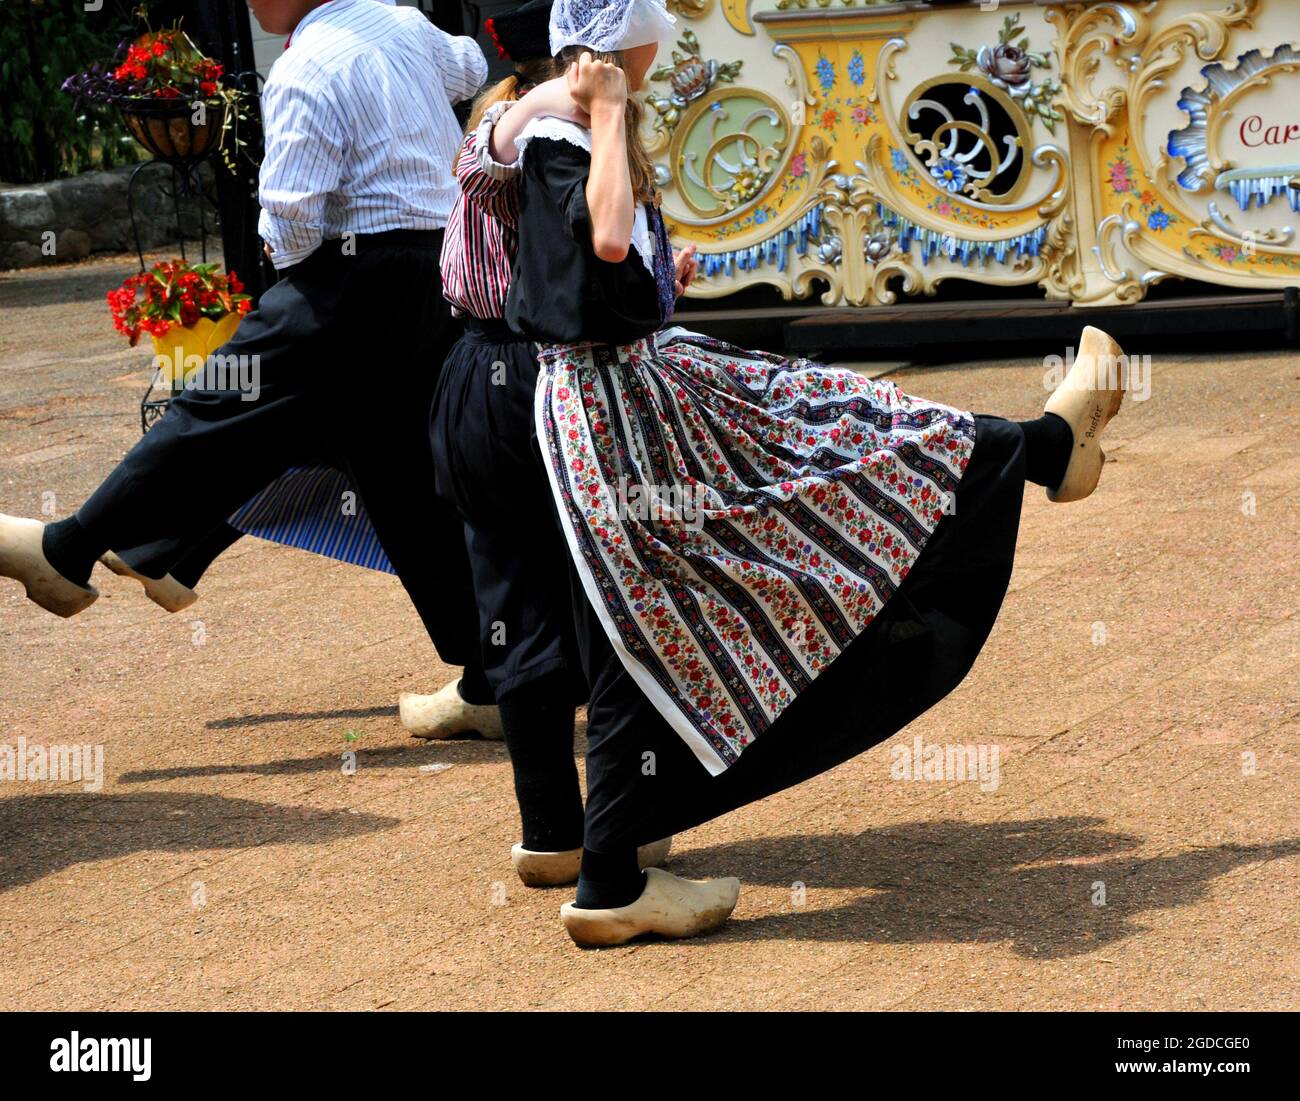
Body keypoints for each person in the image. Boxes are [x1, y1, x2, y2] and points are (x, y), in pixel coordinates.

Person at [495, 0, 1129, 946]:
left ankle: (1040, 447)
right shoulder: (570, 132)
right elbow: (609, 240)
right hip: (611, 406)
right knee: (695, 584)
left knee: (811, 438)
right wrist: (607, 111)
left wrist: (588, 108)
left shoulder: (551, 119)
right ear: (623, 39)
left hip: (625, 390)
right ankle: (610, 875)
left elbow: (534, 181)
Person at [0, 0, 494, 733]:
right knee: (398, 475)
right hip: (437, 274)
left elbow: (290, 217)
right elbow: (472, 66)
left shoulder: (306, 65)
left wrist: (297, 284)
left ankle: (70, 550)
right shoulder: (404, 26)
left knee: (215, 405)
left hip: (352, 278)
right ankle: (492, 676)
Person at [429, 0, 670, 884]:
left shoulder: (508, 127)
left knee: (516, 603)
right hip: (539, 378)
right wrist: (583, 105)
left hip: (479, 376)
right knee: (600, 600)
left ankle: (550, 829)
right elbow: (593, 238)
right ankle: (610, 838)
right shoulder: (543, 129)